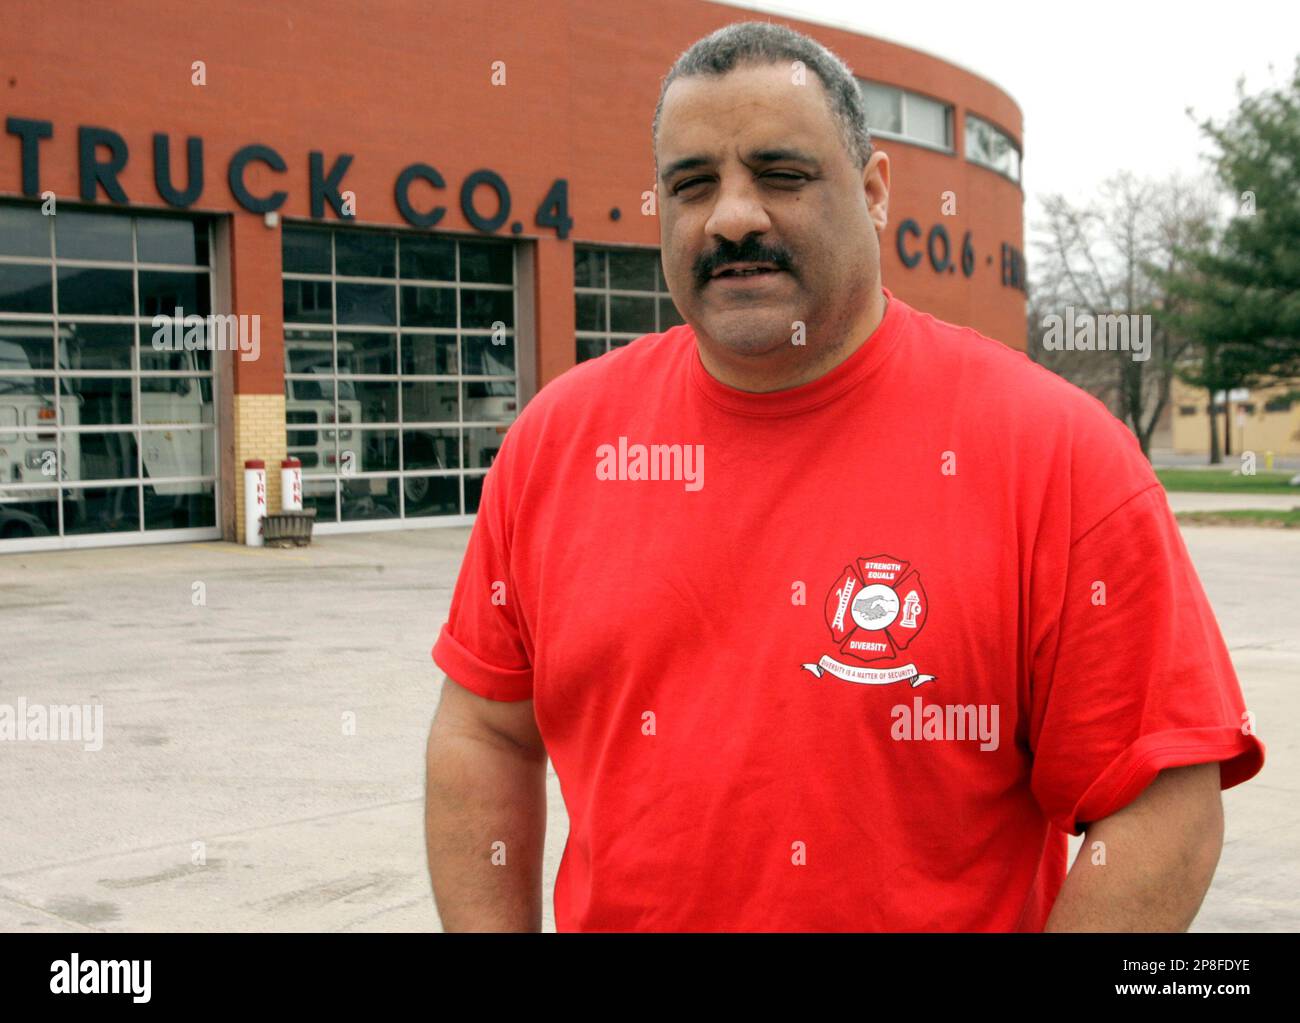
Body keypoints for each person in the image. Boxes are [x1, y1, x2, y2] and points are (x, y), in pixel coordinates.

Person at [424, 20, 1265, 932]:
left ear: (873, 193)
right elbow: (485, 733)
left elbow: (1164, 803)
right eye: (692, 184)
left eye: (780, 175)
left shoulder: (1057, 455)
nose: (732, 216)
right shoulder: (559, 442)